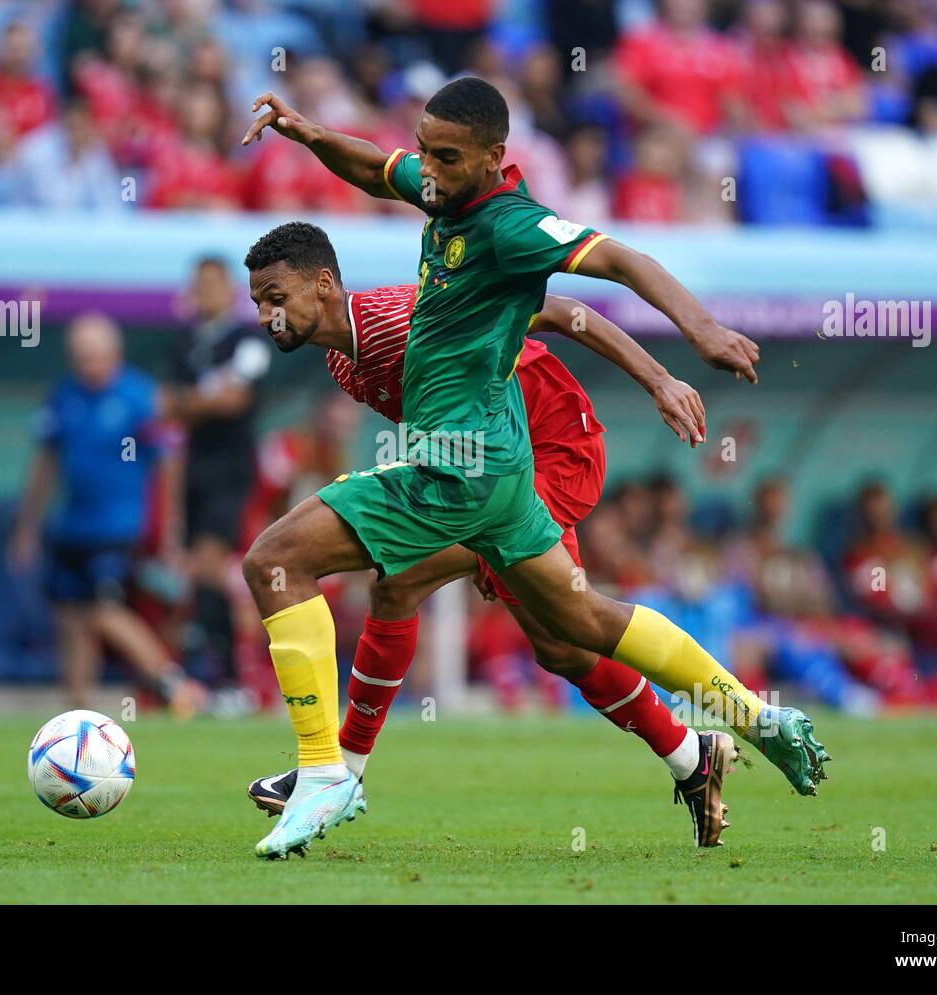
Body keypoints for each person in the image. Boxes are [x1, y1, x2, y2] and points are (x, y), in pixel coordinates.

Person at [238, 76, 829, 859]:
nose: (430, 171)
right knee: (570, 632)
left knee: (320, 567)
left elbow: (581, 291)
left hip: (538, 446)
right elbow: (378, 167)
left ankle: (334, 770)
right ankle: (738, 731)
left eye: (446, 158)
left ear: (492, 157)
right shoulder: (419, 233)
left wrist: (683, 350)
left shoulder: (474, 256)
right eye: (427, 153)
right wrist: (309, 135)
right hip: (496, 459)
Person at [239, 221, 724, 847]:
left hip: (550, 450)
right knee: (563, 647)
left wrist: (659, 379)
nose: (264, 315)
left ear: (323, 284)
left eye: (275, 298)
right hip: (481, 468)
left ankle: (338, 772)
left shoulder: (407, 316)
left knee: (403, 581)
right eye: (257, 303)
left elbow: (563, 310)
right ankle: (692, 756)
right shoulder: (345, 364)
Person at [9, 313, 204, 715]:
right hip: (70, 527)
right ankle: (76, 710)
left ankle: (174, 684)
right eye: (80, 358)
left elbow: (168, 463)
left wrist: (170, 528)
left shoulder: (139, 397)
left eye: (94, 357)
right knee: (70, 617)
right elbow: (45, 464)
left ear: (114, 354)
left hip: (119, 528)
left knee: (103, 612)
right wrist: (26, 527)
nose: (87, 366)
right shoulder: (64, 395)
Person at [164, 258, 271, 693]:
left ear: (231, 290)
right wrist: (204, 397)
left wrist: (192, 401)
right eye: (199, 284)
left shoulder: (248, 340)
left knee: (211, 565)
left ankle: (220, 673)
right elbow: (166, 406)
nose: (206, 292)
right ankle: (216, 670)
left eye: (214, 284)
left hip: (231, 469)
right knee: (194, 572)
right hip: (192, 469)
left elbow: (233, 400)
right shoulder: (183, 344)